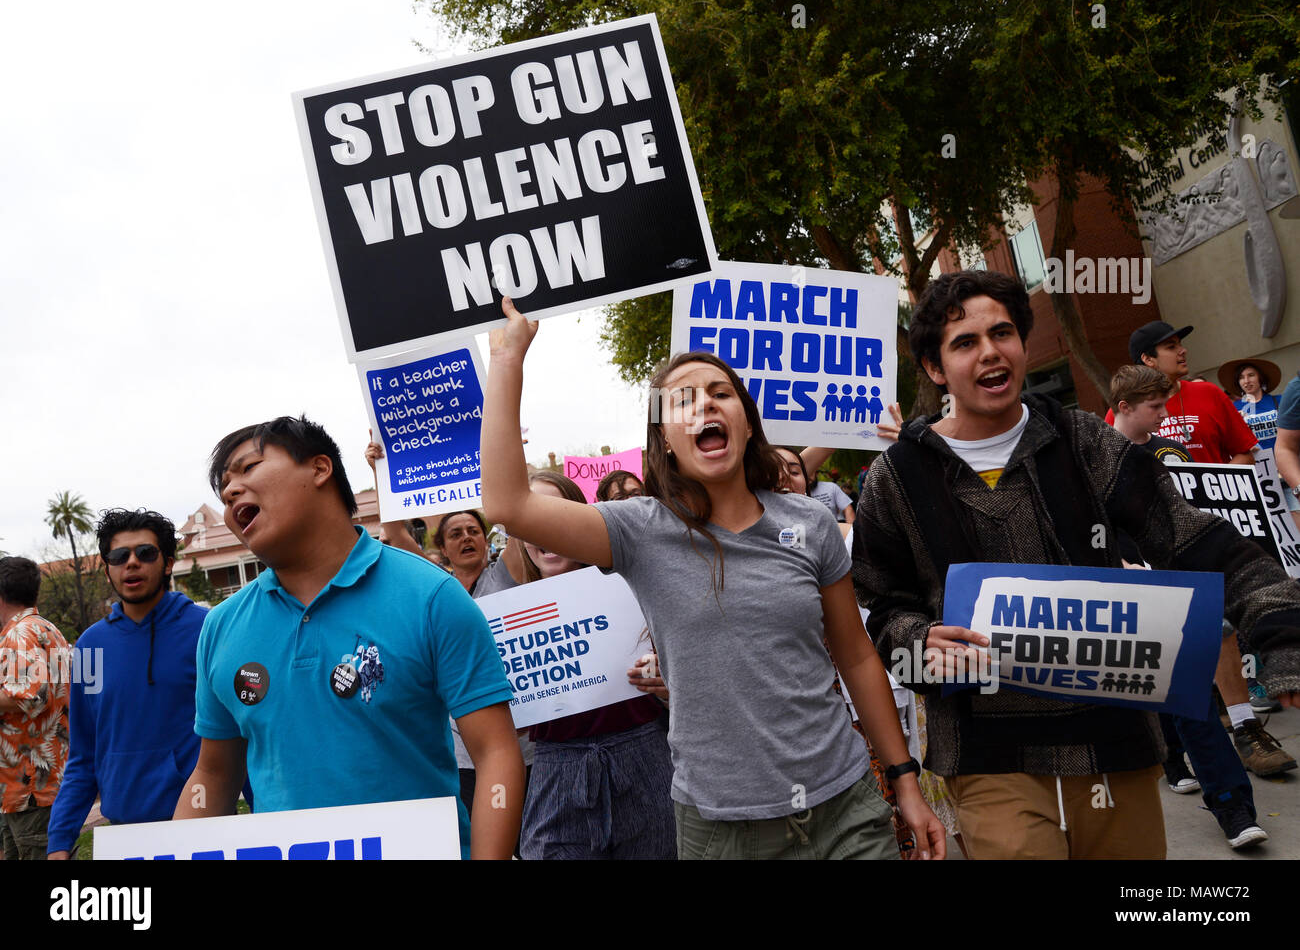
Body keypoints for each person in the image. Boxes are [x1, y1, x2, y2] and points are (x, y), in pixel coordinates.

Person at [855, 269, 1300, 860]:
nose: (990, 352)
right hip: (989, 756)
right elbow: (884, 611)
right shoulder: (897, 477)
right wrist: (921, 642)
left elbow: (1198, 542)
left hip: (1112, 746)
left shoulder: (1084, 441)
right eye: (965, 343)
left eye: (1003, 333)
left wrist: (1282, 634)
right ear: (936, 369)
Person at [482, 297, 943, 860]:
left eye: (721, 393)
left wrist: (904, 781)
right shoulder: (636, 530)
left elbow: (856, 657)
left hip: (844, 810)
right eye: (683, 400)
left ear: (747, 422)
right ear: (666, 441)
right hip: (721, 832)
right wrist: (507, 362)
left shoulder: (811, 523)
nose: (705, 404)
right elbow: (507, 502)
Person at [177, 415, 524, 859]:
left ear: (320, 469)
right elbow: (213, 775)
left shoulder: (432, 596)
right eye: (224, 487)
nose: (230, 492)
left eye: (248, 468)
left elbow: (495, 752)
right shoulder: (221, 627)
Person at [1109, 365, 1268, 849]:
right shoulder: (1095, 456)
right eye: (1155, 407)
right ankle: (1174, 760)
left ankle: (1233, 806)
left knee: (1186, 690)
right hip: (1128, 590)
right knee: (1167, 690)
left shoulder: (1165, 454)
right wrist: (1119, 560)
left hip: (1181, 583)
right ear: (1125, 408)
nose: (1164, 415)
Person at [508, 470, 675, 860]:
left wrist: (670, 684)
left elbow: (698, 685)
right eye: (530, 519)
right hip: (556, 773)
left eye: (553, 513)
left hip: (646, 761)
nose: (544, 531)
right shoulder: (504, 617)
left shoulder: (639, 588)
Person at [47, 509, 212, 860]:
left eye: (145, 553)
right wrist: (59, 841)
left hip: (204, 828)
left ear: (167, 563)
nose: (132, 563)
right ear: (108, 568)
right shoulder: (89, 647)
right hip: (126, 839)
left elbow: (241, 735)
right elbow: (82, 754)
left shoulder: (208, 631)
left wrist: (267, 820)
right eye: (119, 556)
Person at [1105, 321, 1258, 465]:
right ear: (1148, 359)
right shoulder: (1123, 411)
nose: (1183, 351)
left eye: (1180, 345)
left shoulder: (1209, 393)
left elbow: (1245, 455)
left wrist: (1214, 486)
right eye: (1171, 347)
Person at [0, 557, 69, 861]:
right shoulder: (47, 629)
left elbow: (31, 694)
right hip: (44, 784)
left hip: (29, 788)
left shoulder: (18, 635)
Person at [1219, 357, 1283, 452]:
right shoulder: (1233, 409)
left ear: (1260, 378)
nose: (1246, 381)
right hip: (1254, 463)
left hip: (1284, 461)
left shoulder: (1280, 401)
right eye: (1241, 378)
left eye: (1251, 375)